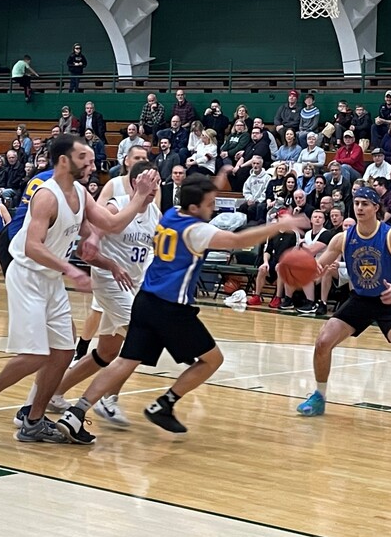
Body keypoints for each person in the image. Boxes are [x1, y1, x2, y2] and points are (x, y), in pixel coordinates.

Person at [53, 176, 311, 442]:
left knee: (125, 360)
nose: (213, 208)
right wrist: (280, 225)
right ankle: (165, 403)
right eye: (210, 204)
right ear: (195, 208)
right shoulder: (195, 231)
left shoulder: (171, 214)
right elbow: (236, 241)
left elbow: (197, 194)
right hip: (171, 309)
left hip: (145, 300)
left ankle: (75, 413)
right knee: (213, 360)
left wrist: (219, 175)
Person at [0, 135, 160, 445]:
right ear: (64, 161)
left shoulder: (80, 194)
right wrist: (70, 269)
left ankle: (34, 420)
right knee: (36, 354)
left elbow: (108, 226)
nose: (91, 163)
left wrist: (105, 258)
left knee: (65, 351)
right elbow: (32, 245)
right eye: (85, 158)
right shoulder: (47, 196)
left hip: (52, 278)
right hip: (27, 275)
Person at [40, 162, 162, 428]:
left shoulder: (154, 213)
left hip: (134, 285)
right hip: (110, 281)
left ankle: (53, 392)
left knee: (106, 351)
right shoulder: (116, 206)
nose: (154, 188)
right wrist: (93, 241)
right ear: (134, 183)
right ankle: (106, 399)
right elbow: (94, 232)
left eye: (157, 183)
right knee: (141, 336)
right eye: (149, 182)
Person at [296, 186, 391, 428]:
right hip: (359, 300)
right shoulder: (343, 238)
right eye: (356, 203)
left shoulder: (390, 236)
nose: (359, 208)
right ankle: (319, 397)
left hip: (388, 300)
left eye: (365, 204)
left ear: (376, 207)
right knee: (322, 342)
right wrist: (313, 269)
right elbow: (315, 271)